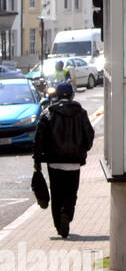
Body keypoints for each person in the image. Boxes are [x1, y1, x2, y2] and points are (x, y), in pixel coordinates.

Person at [33, 81, 95, 238]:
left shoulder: (48, 113)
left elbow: (39, 137)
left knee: (56, 194)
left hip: (54, 162)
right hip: (74, 162)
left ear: (57, 95)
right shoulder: (81, 113)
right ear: (72, 95)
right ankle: (66, 213)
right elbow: (89, 135)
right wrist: (83, 149)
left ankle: (59, 227)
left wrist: (38, 159)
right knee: (71, 193)